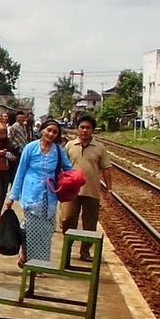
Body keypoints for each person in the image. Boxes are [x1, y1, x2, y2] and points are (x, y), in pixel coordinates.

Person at [5, 118, 67, 266]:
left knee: (46, 230)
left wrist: (75, 181)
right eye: (49, 130)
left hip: (50, 196)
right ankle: (32, 263)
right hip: (31, 195)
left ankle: (41, 263)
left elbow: (69, 168)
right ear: (42, 130)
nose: (51, 134)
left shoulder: (59, 151)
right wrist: (12, 196)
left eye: (55, 132)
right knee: (32, 229)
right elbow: (20, 171)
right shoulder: (30, 148)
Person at [59, 112, 113, 262]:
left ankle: (85, 252)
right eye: (82, 127)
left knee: (90, 223)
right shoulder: (69, 146)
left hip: (92, 191)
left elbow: (106, 169)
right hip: (71, 191)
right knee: (67, 219)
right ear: (77, 129)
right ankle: (67, 249)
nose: (85, 130)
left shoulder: (100, 148)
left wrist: (109, 190)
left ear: (93, 130)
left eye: (88, 128)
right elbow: (61, 167)